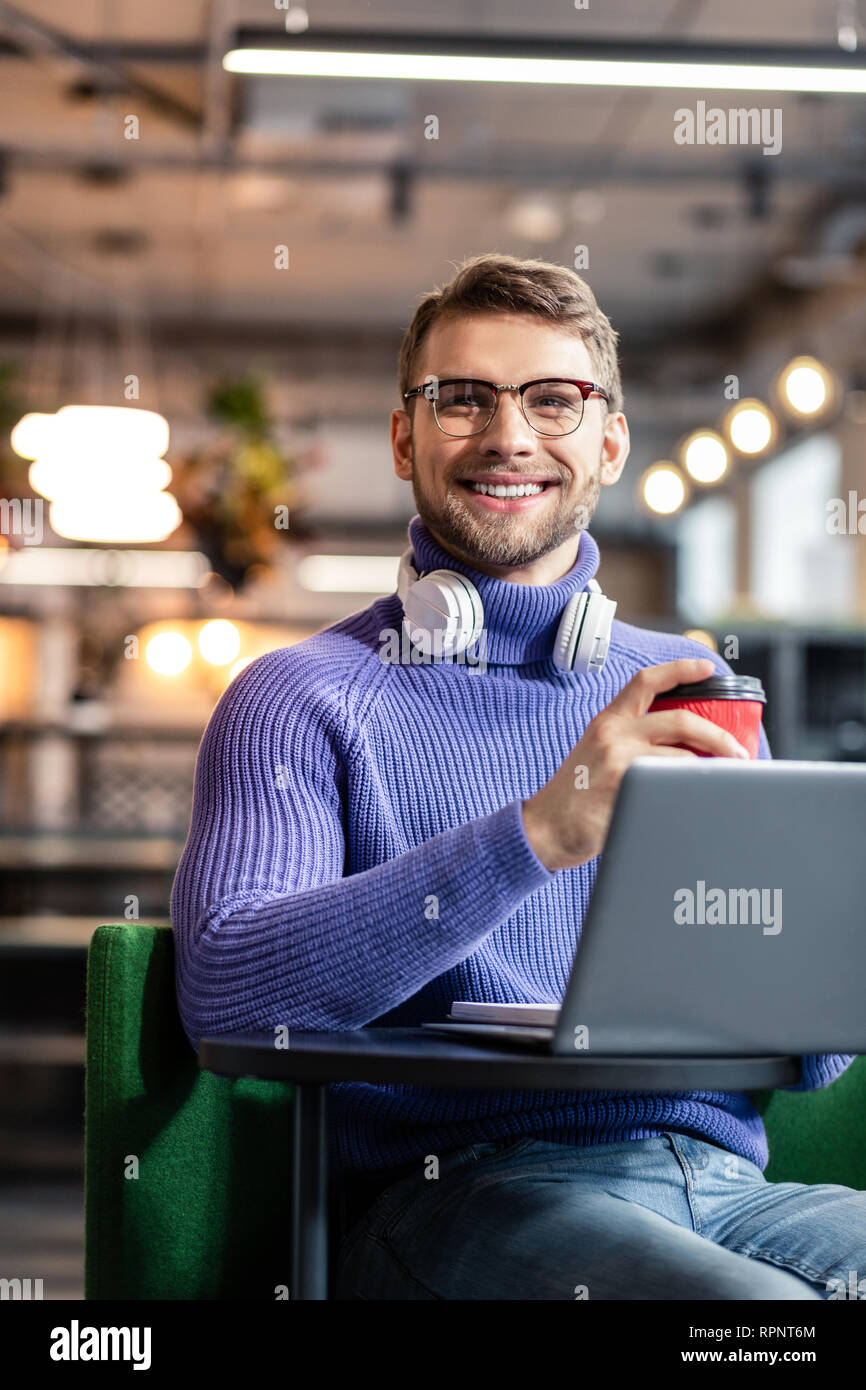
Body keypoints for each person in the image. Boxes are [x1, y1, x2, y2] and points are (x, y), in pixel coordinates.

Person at [171, 252, 863, 1300]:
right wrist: (543, 828)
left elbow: (807, 1055)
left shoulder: (688, 685)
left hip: (725, 1185)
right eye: (463, 400)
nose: (507, 436)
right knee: (753, 1322)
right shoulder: (297, 697)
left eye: (553, 400)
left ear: (609, 441)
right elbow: (226, 997)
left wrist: (826, 944)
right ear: (405, 435)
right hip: (456, 1198)